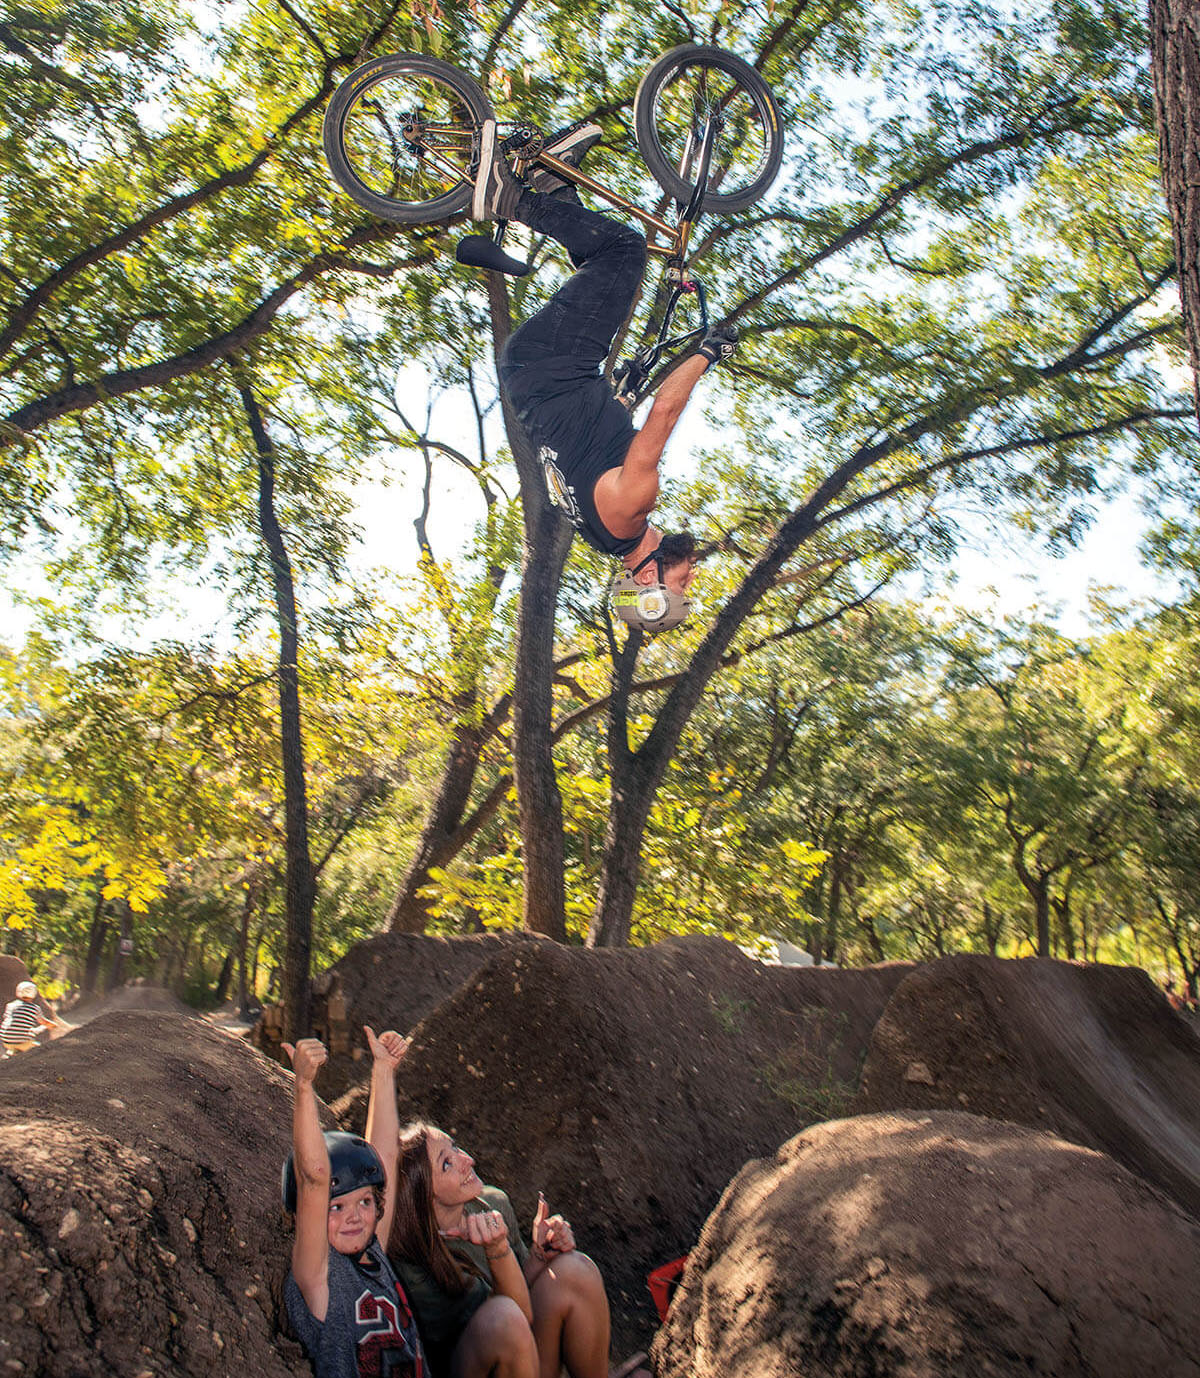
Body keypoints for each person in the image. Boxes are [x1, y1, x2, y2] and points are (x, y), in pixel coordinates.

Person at [475, 121, 738, 634]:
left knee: (624, 251)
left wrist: (709, 351)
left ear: (646, 580)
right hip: (541, 376)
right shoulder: (604, 533)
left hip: (553, 366)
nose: (690, 577)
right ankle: (555, 183)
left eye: (679, 585)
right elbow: (585, 446)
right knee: (602, 264)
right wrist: (623, 394)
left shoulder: (633, 507)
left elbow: (666, 410)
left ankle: (507, 198)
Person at [380, 1115, 609, 1378]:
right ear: (422, 1196)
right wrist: (497, 1250)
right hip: (484, 1363)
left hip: (525, 1360)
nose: (467, 1160)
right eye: (446, 1164)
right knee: (504, 1319)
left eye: (455, 1147)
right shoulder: (412, 1263)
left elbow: (522, 1288)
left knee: (575, 1269)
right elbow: (512, 1320)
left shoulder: (492, 1204)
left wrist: (542, 1251)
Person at [282, 1027, 427, 1378]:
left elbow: (384, 1157)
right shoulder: (318, 1275)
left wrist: (383, 1070)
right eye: (336, 1207)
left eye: (364, 1202)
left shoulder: (375, 1251)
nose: (354, 1217)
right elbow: (314, 1178)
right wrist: (303, 1087)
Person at [1, 979, 66, 1054]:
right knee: (38, 1049)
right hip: (23, 1041)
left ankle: (11, 1051)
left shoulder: (10, 1005)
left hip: (5, 1039)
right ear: (34, 993)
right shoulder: (35, 1008)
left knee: (22, 1039)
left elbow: (7, 1019)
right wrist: (54, 1025)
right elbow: (43, 1022)